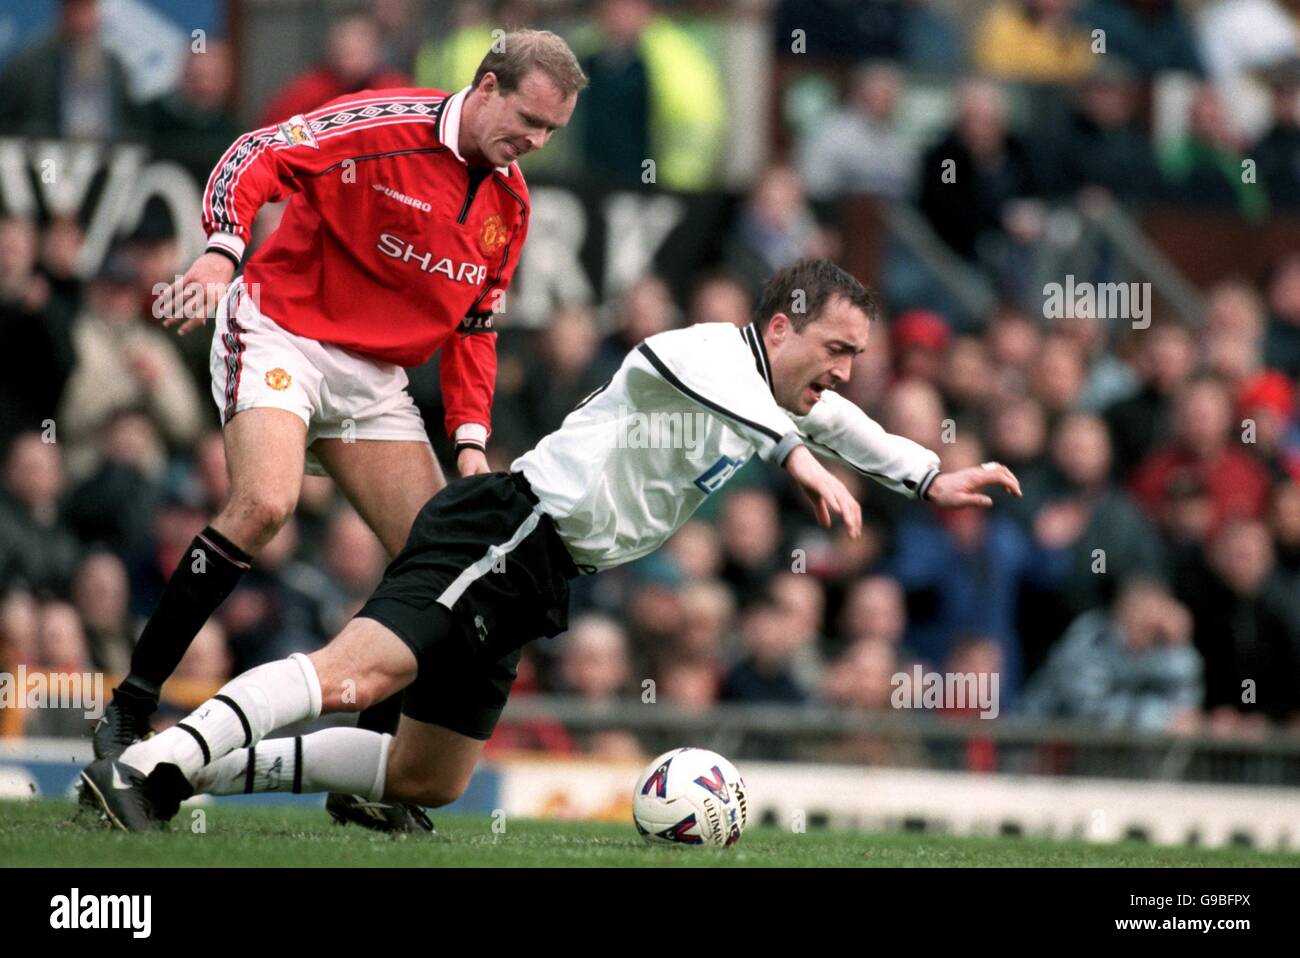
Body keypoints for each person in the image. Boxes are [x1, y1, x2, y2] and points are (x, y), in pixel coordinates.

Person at [79, 258, 1023, 833]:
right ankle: (154, 767)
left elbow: (851, 425)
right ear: (782, 327)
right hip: (507, 529)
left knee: (425, 778)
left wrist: (932, 477)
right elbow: (725, 400)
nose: (847, 370)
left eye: (856, 356)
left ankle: (178, 765)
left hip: (542, 575)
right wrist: (796, 458)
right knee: (355, 677)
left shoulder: (786, 391)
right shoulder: (702, 353)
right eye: (838, 348)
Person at [90, 29, 587, 835]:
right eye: (528, 119)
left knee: (446, 564)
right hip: (282, 329)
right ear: (487, 85)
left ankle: (368, 770)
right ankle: (126, 712)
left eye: (550, 133)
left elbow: (474, 327)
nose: (533, 142)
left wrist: (467, 438)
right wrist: (222, 251)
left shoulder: (510, 204)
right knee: (265, 505)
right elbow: (255, 153)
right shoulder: (382, 121)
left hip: (375, 382)